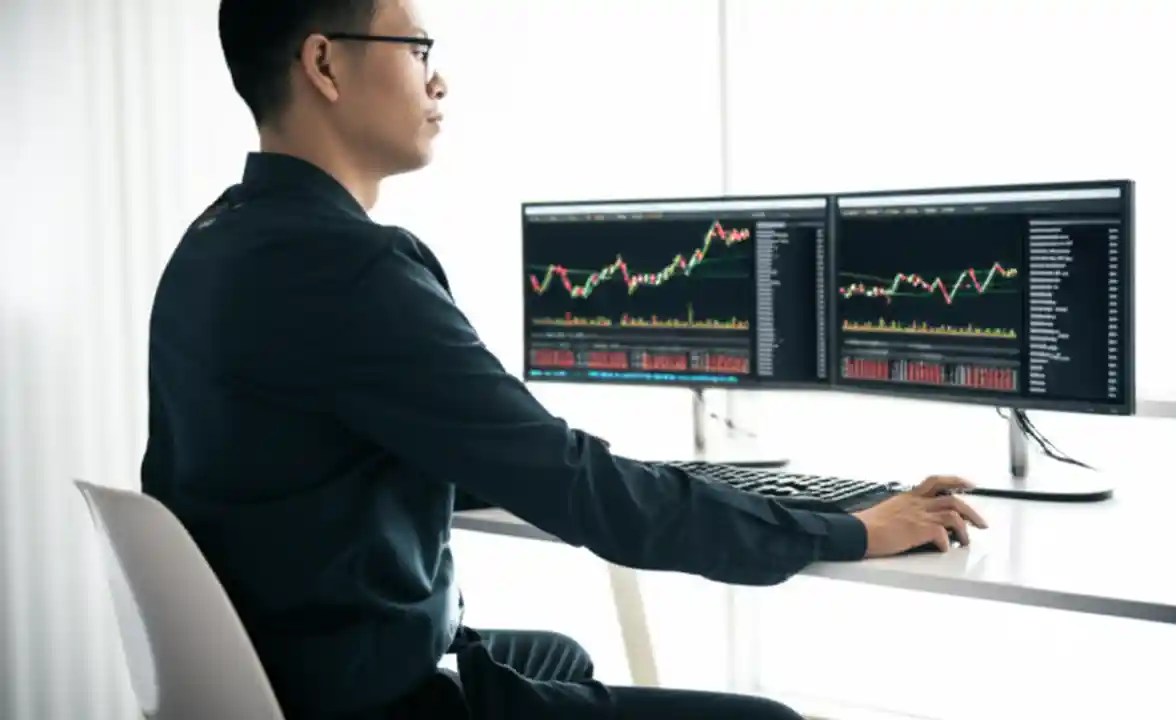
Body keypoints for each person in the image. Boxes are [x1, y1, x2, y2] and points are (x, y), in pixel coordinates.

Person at [141, 0, 988, 718]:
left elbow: (308, 460)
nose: (438, 81)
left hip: (290, 667)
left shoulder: (216, 240)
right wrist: (848, 529)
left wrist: (576, 464)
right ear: (325, 64)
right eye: (417, 49)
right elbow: (581, 493)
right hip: (373, 697)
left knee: (562, 654)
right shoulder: (350, 268)